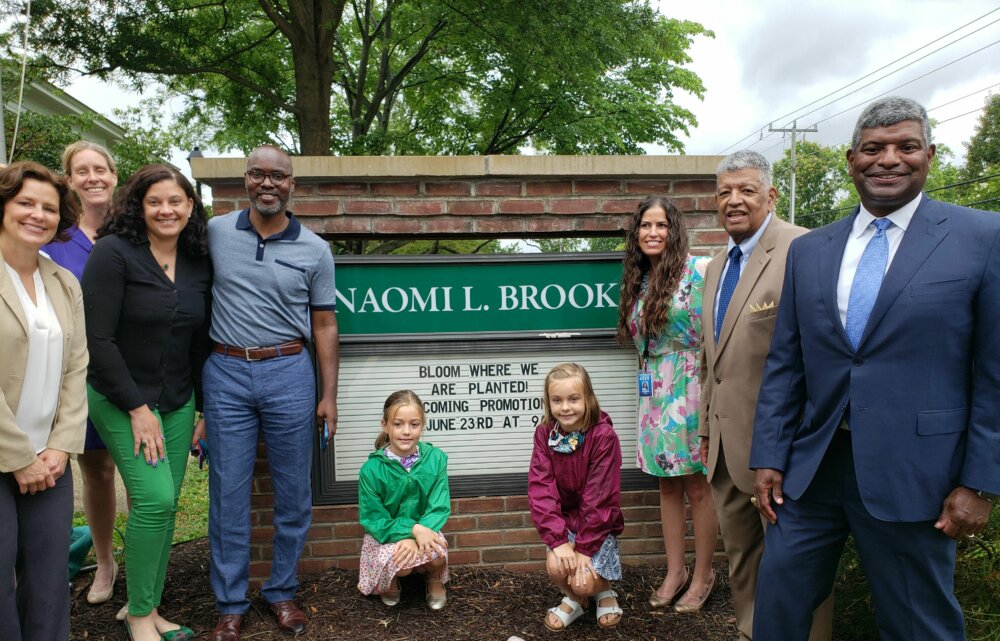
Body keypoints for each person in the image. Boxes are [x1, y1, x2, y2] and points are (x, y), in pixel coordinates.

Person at [750, 96, 1000, 641]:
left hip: (918, 475)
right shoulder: (811, 250)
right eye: (873, 148)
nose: (889, 159)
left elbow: (994, 371)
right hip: (811, 470)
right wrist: (768, 455)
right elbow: (786, 363)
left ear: (929, 154)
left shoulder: (983, 238)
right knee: (778, 605)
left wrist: (980, 482)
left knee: (918, 624)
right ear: (851, 158)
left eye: (906, 146)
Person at [203, 145, 339, 641]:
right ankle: (230, 604)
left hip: (289, 371)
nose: (268, 183)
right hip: (226, 370)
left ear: (292, 185)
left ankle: (282, 592)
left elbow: (324, 324)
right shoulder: (215, 233)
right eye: (258, 174)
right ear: (245, 180)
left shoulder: (315, 249)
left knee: (293, 493)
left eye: (277, 176)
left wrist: (330, 394)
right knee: (228, 493)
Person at [697, 150, 832, 641]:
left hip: (786, 452)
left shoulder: (805, 249)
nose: (734, 201)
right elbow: (716, 364)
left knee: (799, 573)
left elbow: (820, 357)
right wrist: (707, 433)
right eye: (725, 193)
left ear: (771, 195)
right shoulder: (714, 268)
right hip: (727, 454)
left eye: (747, 190)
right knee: (744, 566)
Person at [82, 164, 211, 641]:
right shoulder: (112, 254)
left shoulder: (198, 260)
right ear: (138, 206)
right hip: (120, 397)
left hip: (178, 399)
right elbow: (98, 339)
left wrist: (201, 410)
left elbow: (200, 341)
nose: (166, 210)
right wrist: (138, 410)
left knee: (167, 503)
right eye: (155, 201)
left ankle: (150, 606)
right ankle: (139, 616)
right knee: (155, 499)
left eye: (175, 201)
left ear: (190, 207)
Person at [616, 196, 718, 613]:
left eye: (661, 225)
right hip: (655, 391)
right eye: (645, 225)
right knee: (666, 483)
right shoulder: (639, 281)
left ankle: (703, 574)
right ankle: (675, 571)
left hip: (692, 387)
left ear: (674, 230)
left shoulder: (702, 269)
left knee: (697, 483)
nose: (652, 233)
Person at [0, 161, 88, 641]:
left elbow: (76, 368)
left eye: (49, 208)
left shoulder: (62, 282)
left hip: (50, 463)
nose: (38, 215)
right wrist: (19, 457)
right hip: (5, 457)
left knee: (50, 584)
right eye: (26, 203)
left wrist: (60, 446)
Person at [43, 140, 121, 605]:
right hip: (77, 374)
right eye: (82, 171)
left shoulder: (132, 232)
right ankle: (106, 563)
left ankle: (148, 575)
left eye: (100, 169)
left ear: (114, 175)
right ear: (69, 179)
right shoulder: (55, 238)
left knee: (142, 476)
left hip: (129, 375)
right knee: (97, 472)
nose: (93, 177)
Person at [528, 363, 624, 631]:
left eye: (574, 399)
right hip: (566, 522)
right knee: (557, 566)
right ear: (548, 402)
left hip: (597, 524)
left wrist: (584, 549)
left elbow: (601, 497)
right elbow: (541, 488)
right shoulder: (545, 434)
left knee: (585, 579)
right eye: (557, 400)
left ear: (588, 399)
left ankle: (603, 589)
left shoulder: (603, 436)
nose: (565, 407)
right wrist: (558, 540)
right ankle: (576, 600)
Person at [357, 390, 450, 610]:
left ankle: (434, 579)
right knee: (402, 565)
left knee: (437, 554)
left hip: (428, 527)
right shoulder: (371, 470)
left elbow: (439, 506)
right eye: (398, 424)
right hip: (386, 533)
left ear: (423, 424)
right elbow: (373, 518)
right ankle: (390, 581)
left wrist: (419, 533)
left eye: (414, 424)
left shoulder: (436, 460)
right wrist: (411, 530)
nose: (406, 431)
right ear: (385, 425)